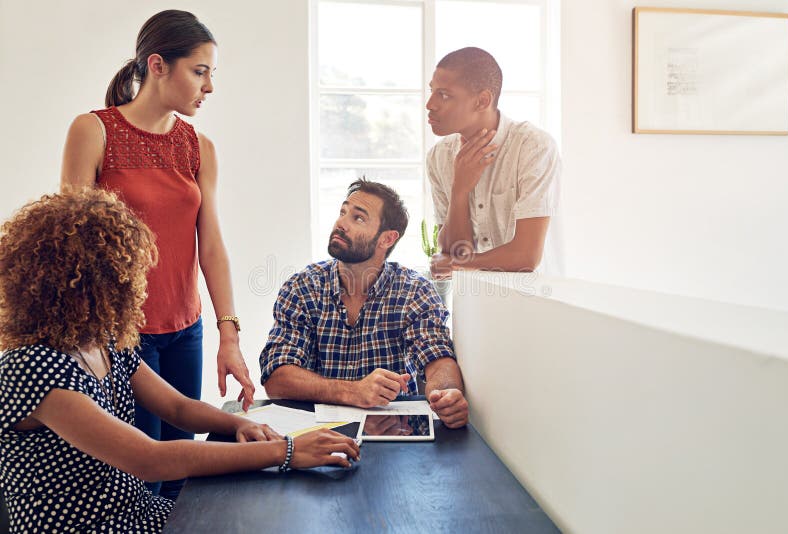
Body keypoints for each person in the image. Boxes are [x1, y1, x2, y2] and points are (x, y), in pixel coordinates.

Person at [0, 190, 360, 533]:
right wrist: (286, 451)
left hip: (137, 513)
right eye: (122, 276)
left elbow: (177, 407)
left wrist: (234, 425)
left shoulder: (104, 341)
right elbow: (148, 458)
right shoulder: (31, 368)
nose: (137, 285)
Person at [59, 10, 254, 499]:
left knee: (180, 478)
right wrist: (91, 335)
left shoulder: (199, 147)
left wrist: (227, 335)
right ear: (158, 65)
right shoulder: (93, 130)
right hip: (121, 335)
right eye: (200, 71)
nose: (209, 87)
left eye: (212, 74)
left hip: (184, 330)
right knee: (138, 475)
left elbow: (210, 246)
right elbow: (68, 239)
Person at [260, 179, 469, 429]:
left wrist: (446, 396)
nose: (341, 223)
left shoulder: (415, 291)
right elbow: (276, 377)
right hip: (318, 439)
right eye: (343, 212)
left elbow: (438, 361)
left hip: (395, 441)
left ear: (387, 239)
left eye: (358, 218)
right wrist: (353, 392)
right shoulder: (303, 287)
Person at [425, 47, 562, 278]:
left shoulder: (534, 147)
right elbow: (455, 250)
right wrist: (460, 190)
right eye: (432, 91)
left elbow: (526, 257)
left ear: (482, 100)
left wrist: (458, 264)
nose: (430, 104)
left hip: (537, 300)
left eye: (444, 95)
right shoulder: (439, 156)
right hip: (473, 300)